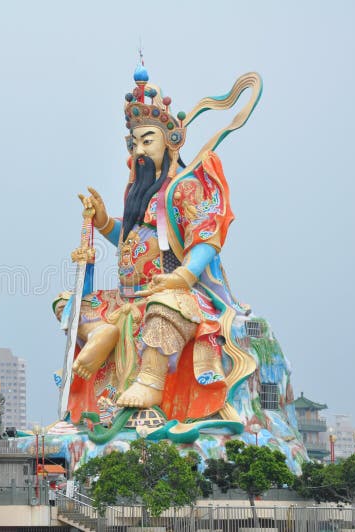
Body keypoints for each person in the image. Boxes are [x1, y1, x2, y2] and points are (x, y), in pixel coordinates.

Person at [56, 63, 261, 435]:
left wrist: (182, 277)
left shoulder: (185, 187)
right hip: (127, 297)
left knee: (166, 307)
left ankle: (150, 381)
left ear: (170, 142)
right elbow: (132, 239)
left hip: (175, 291)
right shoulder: (139, 193)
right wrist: (104, 223)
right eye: (133, 143)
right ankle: (103, 333)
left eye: (147, 141)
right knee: (68, 305)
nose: (138, 150)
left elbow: (205, 237)